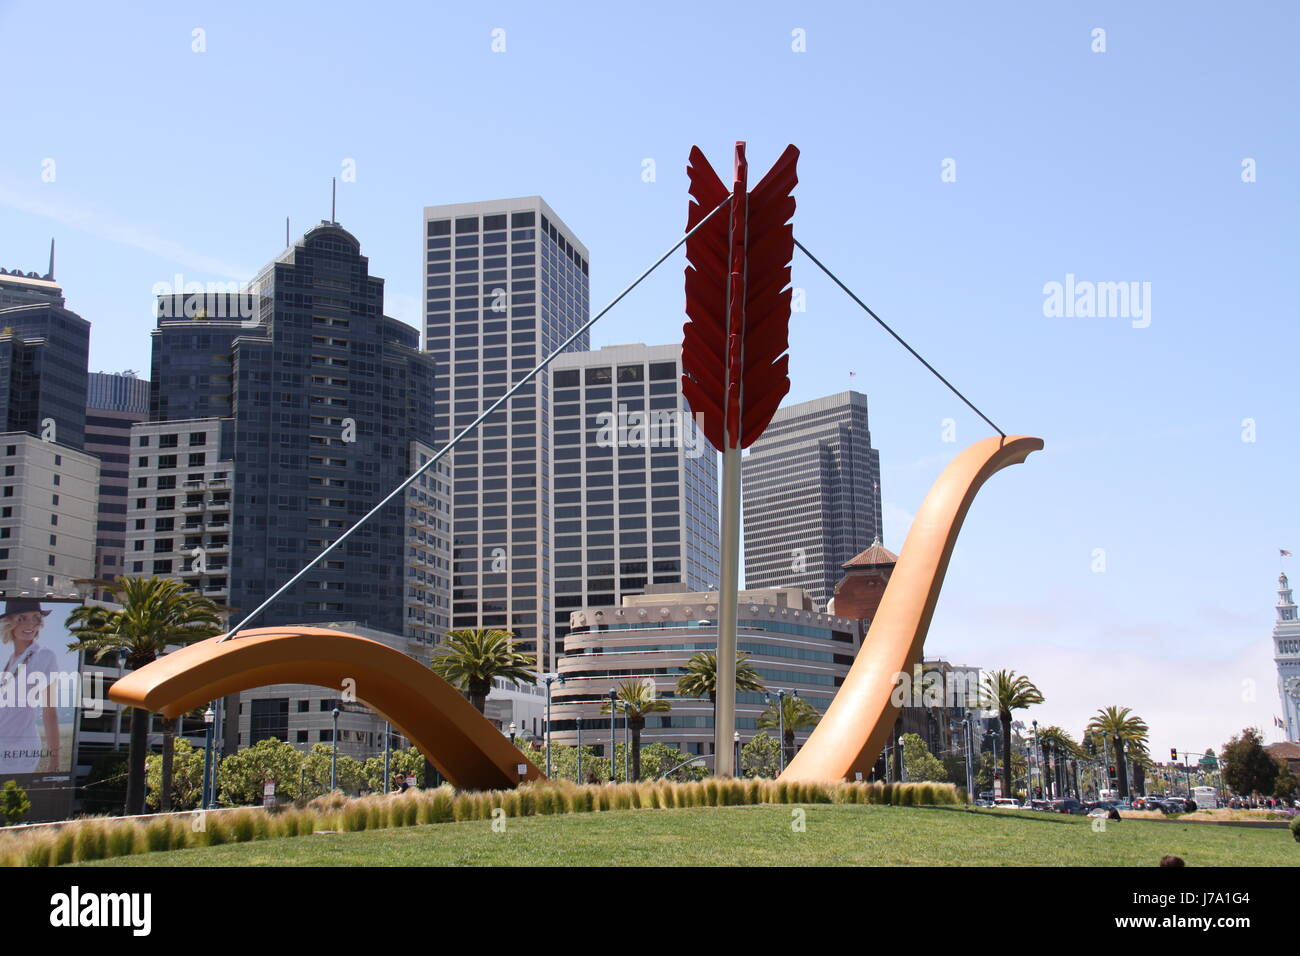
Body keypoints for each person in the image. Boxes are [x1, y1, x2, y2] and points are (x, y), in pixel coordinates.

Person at [0, 599, 60, 774]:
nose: (30, 624)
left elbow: (49, 711)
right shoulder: (11, 660)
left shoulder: (44, 656)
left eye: (35, 618)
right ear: (10, 623)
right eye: (22, 618)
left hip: (19, 750)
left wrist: (54, 762)